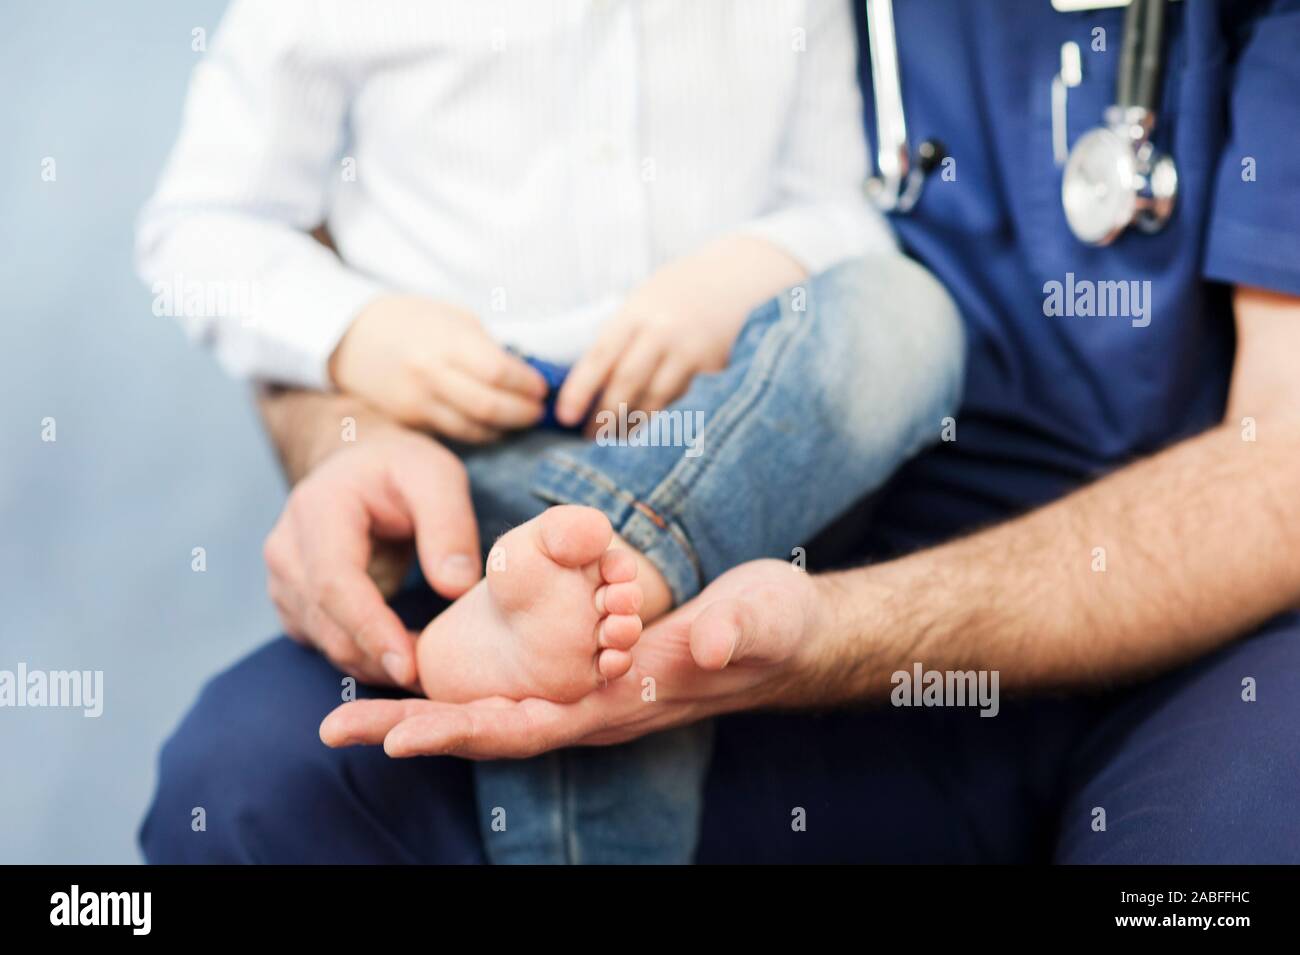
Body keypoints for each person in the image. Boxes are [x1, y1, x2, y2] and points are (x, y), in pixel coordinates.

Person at [142, 0, 1300, 863]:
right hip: (645, 517)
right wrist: (344, 418)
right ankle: (587, 584)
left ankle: (614, 567)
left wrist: (755, 276)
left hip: (1159, 626)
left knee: (1230, 851)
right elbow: (235, 230)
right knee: (249, 772)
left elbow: (1282, 474)